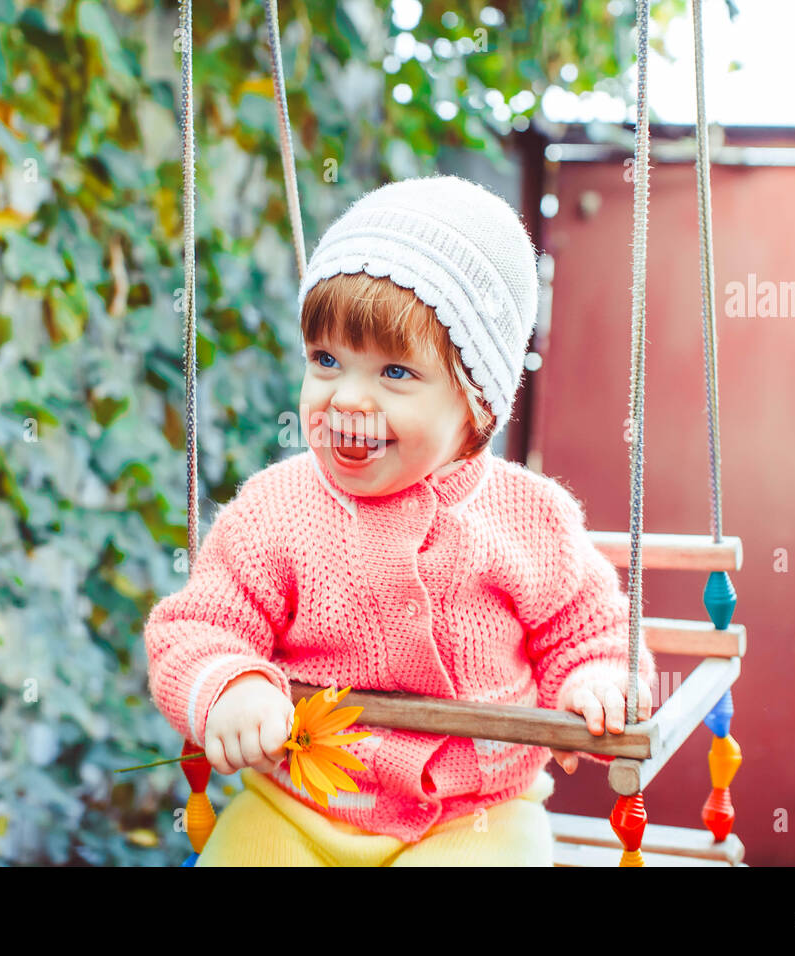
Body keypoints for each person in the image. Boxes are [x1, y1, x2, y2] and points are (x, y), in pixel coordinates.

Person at [143, 174, 657, 865]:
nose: (347, 397)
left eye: (395, 373)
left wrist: (595, 679)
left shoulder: (530, 517)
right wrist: (230, 686)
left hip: (476, 817)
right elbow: (199, 626)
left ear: (476, 401)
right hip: (299, 803)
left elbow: (587, 627)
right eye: (326, 360)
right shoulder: (275, 511)